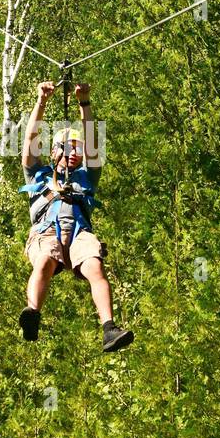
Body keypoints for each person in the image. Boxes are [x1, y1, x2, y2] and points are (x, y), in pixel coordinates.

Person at [19, 80, 134, 352]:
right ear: (55, 151)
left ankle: (109, 328)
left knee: (94, 264)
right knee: (46, 259)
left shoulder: (87, 176)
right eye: (68, 148)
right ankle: (33, 313)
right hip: (47, 230)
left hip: (79, 232)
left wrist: (85, 103)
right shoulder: (39, 173)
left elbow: (94, 143)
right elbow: (30, 140)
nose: (74, 154)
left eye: (78, 150)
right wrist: (42, 101)